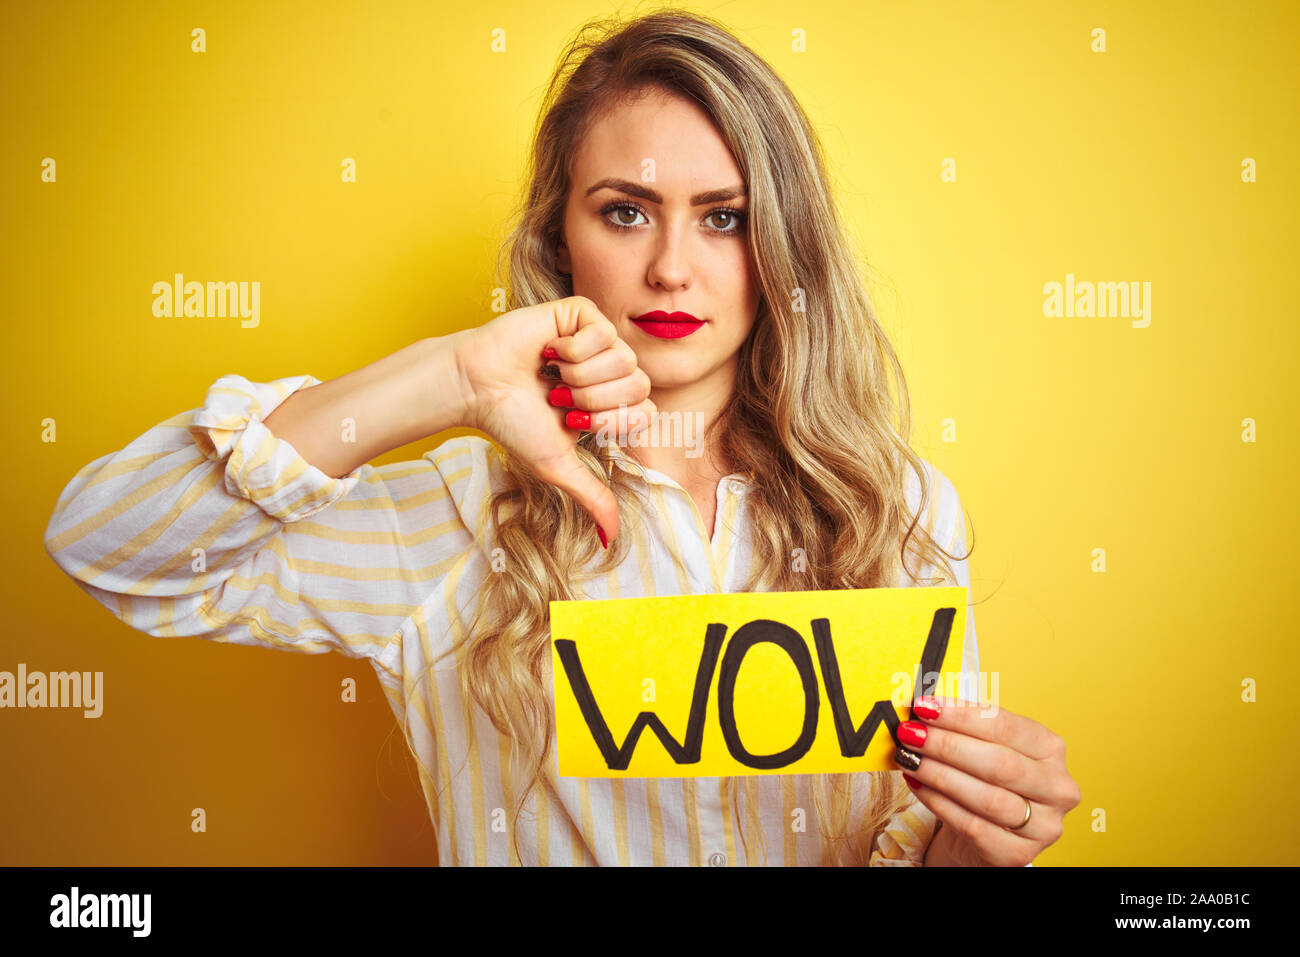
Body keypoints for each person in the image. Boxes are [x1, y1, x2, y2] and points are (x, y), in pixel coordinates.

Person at [43, 9, 1078, 866]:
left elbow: (912, 848)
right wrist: (443, 378)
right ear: (559, 238)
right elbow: (107, 543)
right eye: (626, 213)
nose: (672, 267)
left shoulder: (896, 507)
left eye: (722, 217)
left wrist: (977, 843)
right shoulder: (452, 520)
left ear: (780, 244)